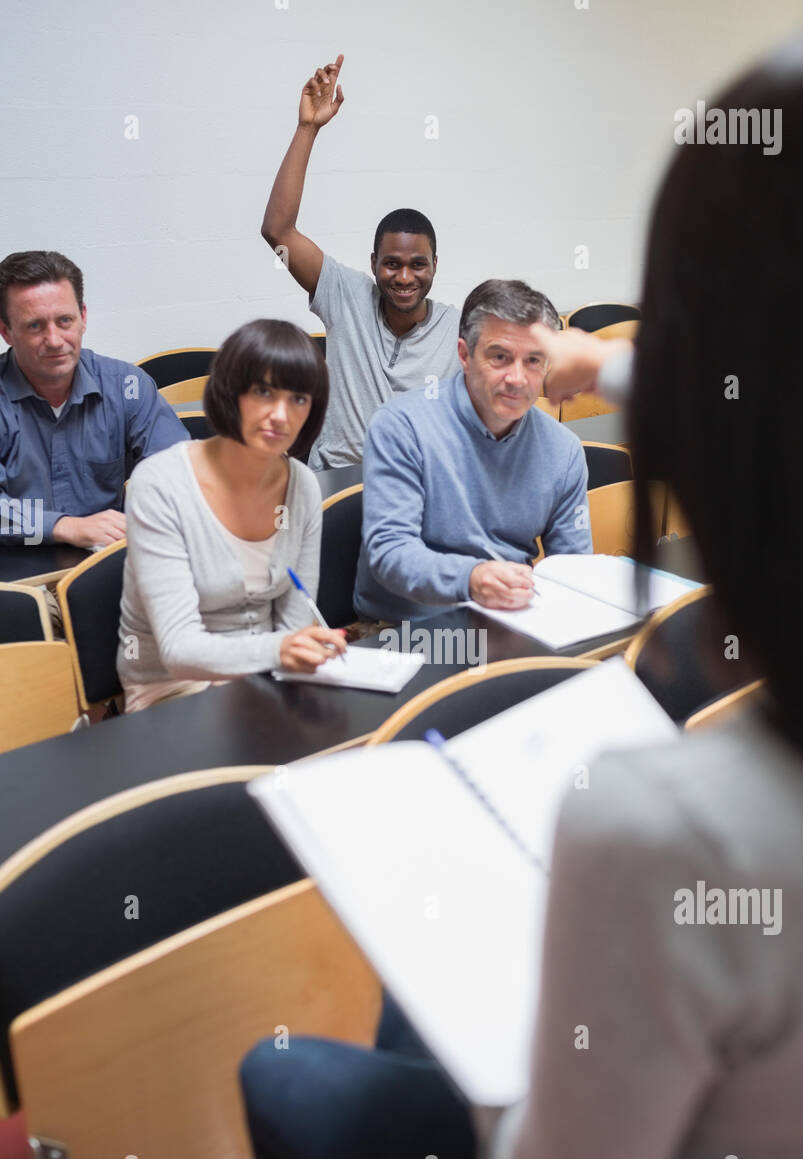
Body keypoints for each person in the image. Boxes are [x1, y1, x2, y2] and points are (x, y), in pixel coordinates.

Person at [241, 13, 803, 1159]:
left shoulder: (667, 823)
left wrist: (514, 1058)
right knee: (418, 1000)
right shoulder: (414, 418)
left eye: (545, 363)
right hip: (442, 642)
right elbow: (401, 561)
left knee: (296, 1063)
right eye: (506, 360)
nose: (525, 380)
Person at [118, 320, 346, 713]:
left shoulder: (302, 485)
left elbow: (295, 622)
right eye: (263, 392)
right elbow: (178, 650)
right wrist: (281, 649)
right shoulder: (159, 485)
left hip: (266, 678)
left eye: (298, 399)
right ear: (230, 394)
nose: (280, 414)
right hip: (172, 692)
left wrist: (298, 648)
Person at [261, 53, 461, 471]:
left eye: (417, 265)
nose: (404, 277)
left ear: (435, 266)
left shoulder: (455, 328)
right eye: (392, 264)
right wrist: (306, 129)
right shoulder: (345, 295)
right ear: (373, 264)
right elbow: (278, 232)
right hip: (337, 482)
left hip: (414, 489)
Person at [352, 278, 591, 623]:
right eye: (500, 357)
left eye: (534, 361)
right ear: (464, 355)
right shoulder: (401, 426)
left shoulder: (564, 450)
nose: (518, 379)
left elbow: (573, 568)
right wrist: (472, 578)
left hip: (512, 620)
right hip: (408, 627)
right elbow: (391, 552)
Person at [0, 250, 188, 548]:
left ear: (83, 318)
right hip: (14, 573)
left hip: (106, 561)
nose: (54, 340)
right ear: (6, 331)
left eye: (64, 320)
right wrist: (64, 526)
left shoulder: (127, 386)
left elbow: (179, 472)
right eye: (35, 325)